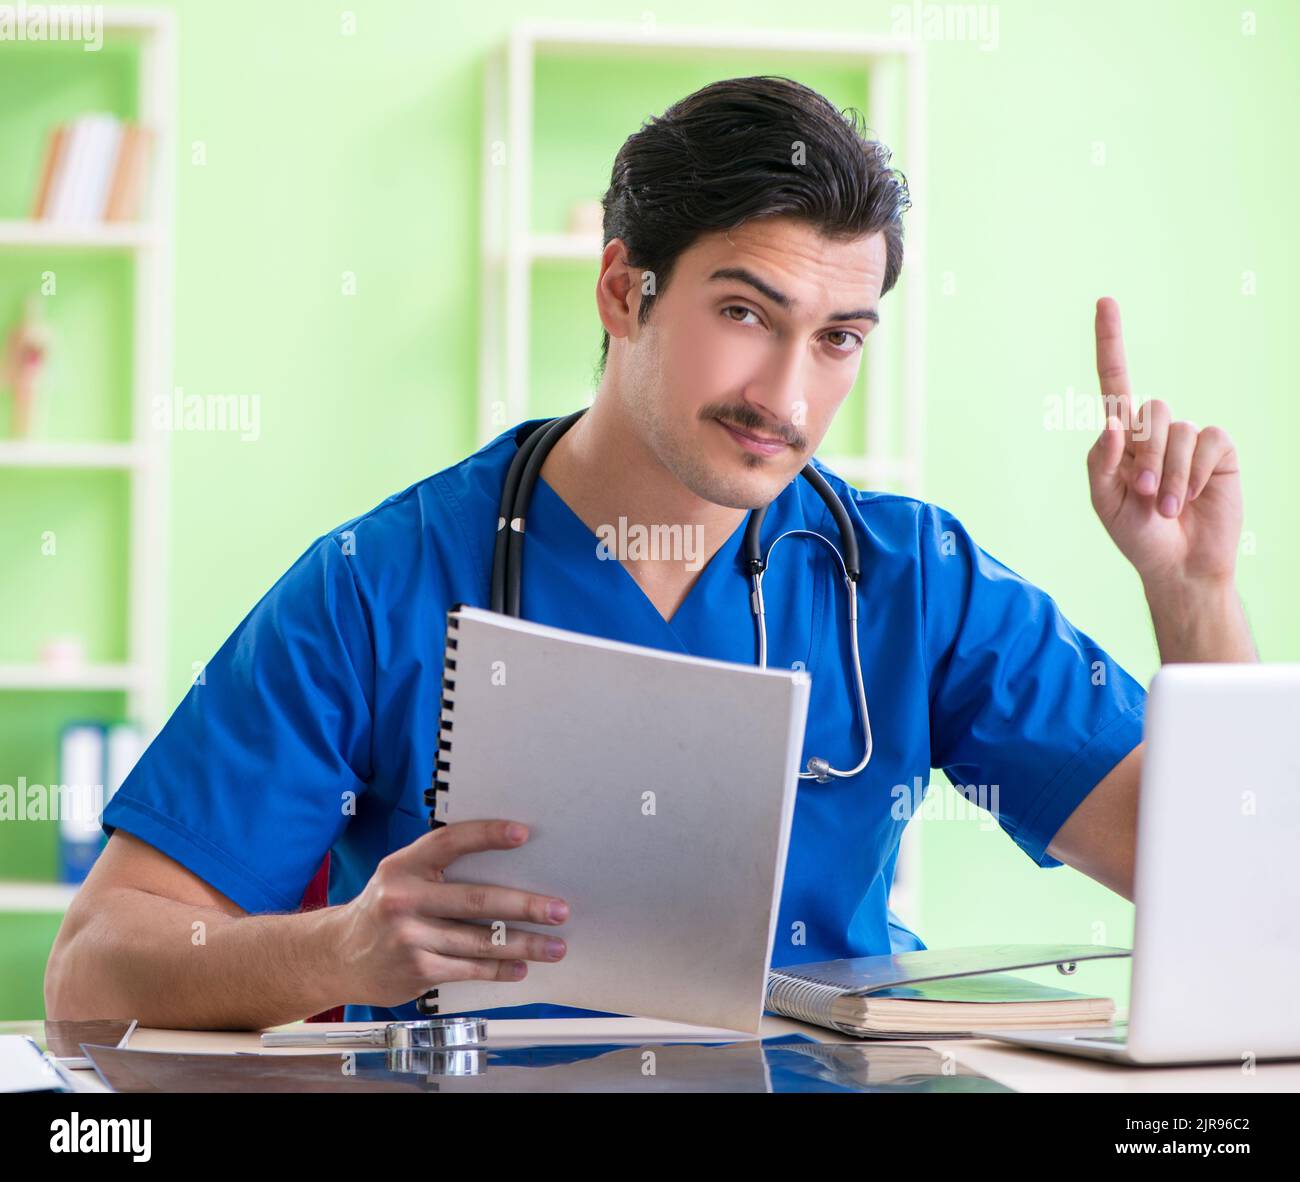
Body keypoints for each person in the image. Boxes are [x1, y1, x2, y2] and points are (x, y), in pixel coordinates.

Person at [45, 76, 1255, 1030]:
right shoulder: (381, 582)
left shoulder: (912, 583)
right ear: (623, 292)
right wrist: (342, 949)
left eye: (838, 338)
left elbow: (1240, 893)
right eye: (745, 314)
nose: (787, 394)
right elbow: (93, 970)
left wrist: (1192, 594)